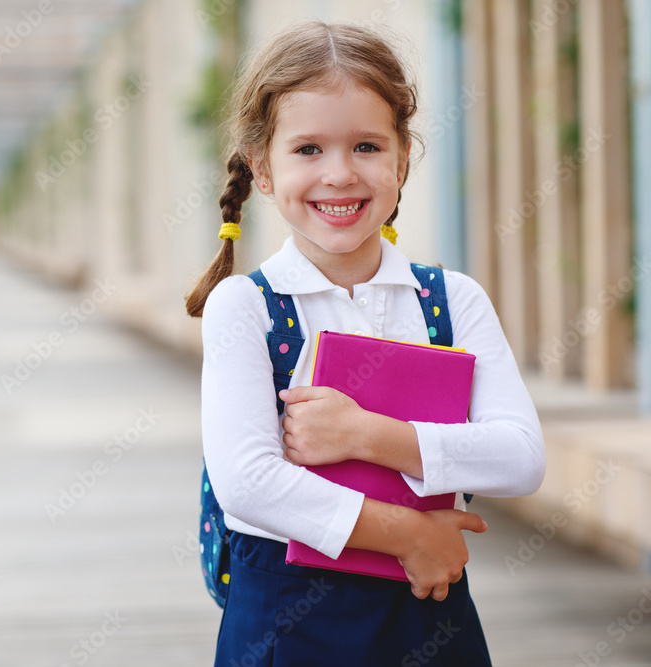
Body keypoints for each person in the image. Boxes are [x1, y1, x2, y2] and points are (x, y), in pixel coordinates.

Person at [186, 20, 545, 666]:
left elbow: (520, 456)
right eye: (309, 150)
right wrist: (407, 534)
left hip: (428, 616)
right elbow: (249, 482)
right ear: (262, 167)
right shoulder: (245, 307)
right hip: (285, 629)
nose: (340, 174)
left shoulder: (451, 301)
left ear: (404, 157)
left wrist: (366, 435)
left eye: (367, 147)